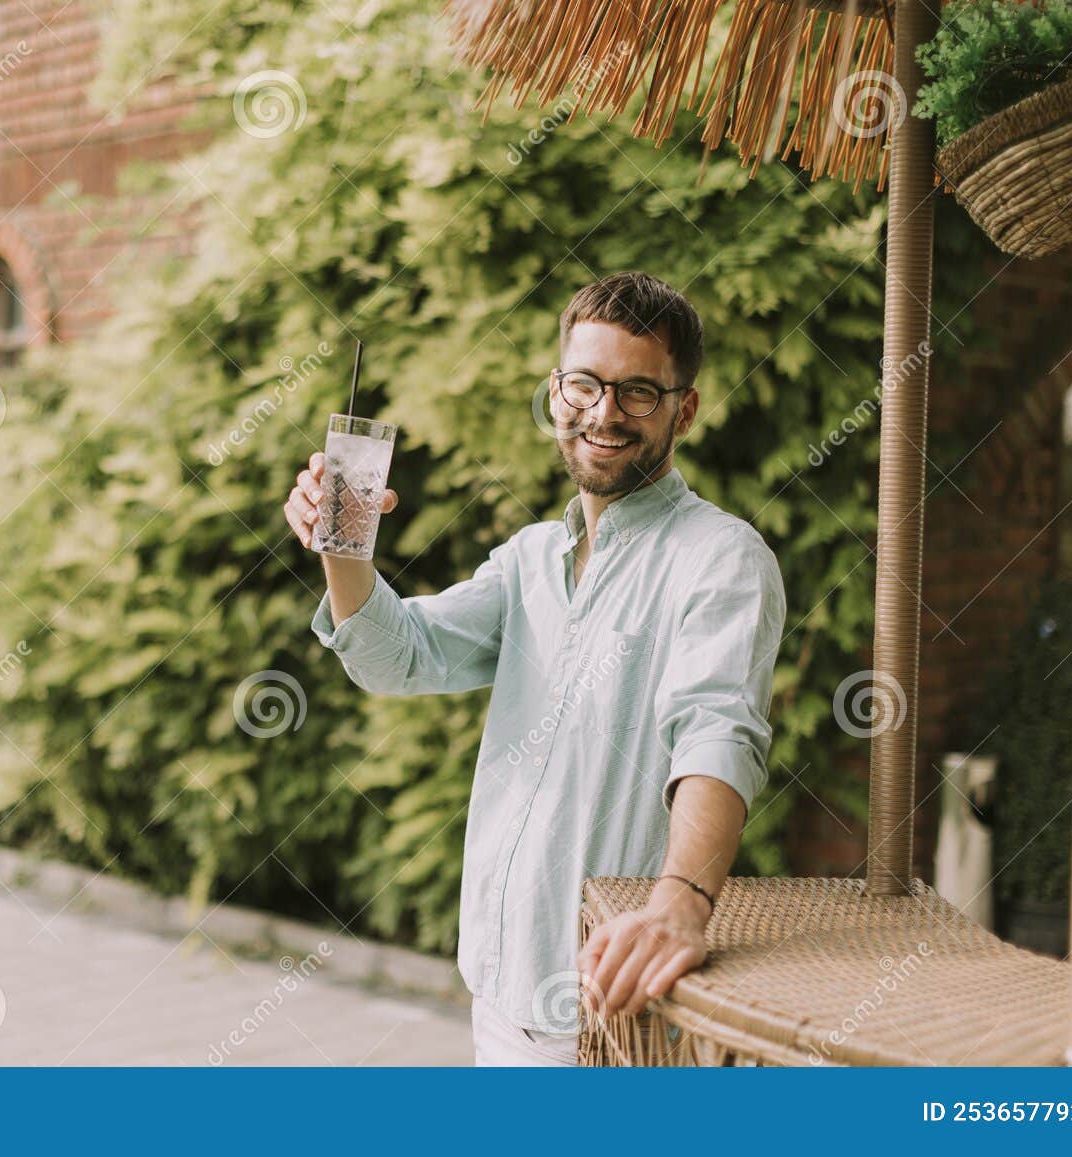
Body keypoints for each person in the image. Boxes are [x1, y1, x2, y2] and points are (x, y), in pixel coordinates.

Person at [283, 271, 786, 1066]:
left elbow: (718, 736)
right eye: (584, 384)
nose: (605, 413)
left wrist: (681, 902)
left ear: (684, 408)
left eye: (638, 392)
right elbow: (399, 657)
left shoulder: (720, 560)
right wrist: (341, 548)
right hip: (498, 996)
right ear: (556, 392)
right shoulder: (529, 560)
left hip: (613, 1012)